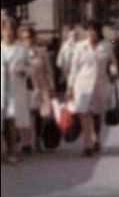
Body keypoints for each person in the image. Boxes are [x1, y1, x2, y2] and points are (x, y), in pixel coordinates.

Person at [67, 21, 115, 157]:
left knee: (97, 114)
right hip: (82, 84)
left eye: (93, 30)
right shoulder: (79, 46)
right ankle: (87, 145)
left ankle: (97, 138)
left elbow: (112, 63)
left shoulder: (107, 46)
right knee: (85, 114)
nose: (91, 33)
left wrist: (114, 72)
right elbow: (74, 68)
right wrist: (70, 87)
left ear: (99, 32)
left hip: (100, 83)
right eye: (88, 30)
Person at [18, 24, 54, 153]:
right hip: (23, 87)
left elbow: (48, 71)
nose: (27, 40)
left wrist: (51, 87)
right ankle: (26, 143)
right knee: (24, 115)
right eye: (24, 38)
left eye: (29, 38)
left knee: (40, 114)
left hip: (39, 86)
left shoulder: (41, 52)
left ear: (33, 38)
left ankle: (38, 138)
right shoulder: (17, 52)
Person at [1, 17, 31, 163]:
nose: (8, 33)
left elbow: (32, 65)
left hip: (14, 89)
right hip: (1, 88)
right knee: (4, 121)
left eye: (11, 30)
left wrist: (24, 71)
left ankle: (11, 151)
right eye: (6, 30)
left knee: (11, 120)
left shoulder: (22, 48)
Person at [56, 24, 83, 91]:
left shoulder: (80, 45)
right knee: (69, 85)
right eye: (73, 35)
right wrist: (61, 67)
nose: (74, 37)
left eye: (76, 35)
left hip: (78, 69)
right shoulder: (65, 45)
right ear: (69, 36)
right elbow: (60, 57)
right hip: (68, 68)